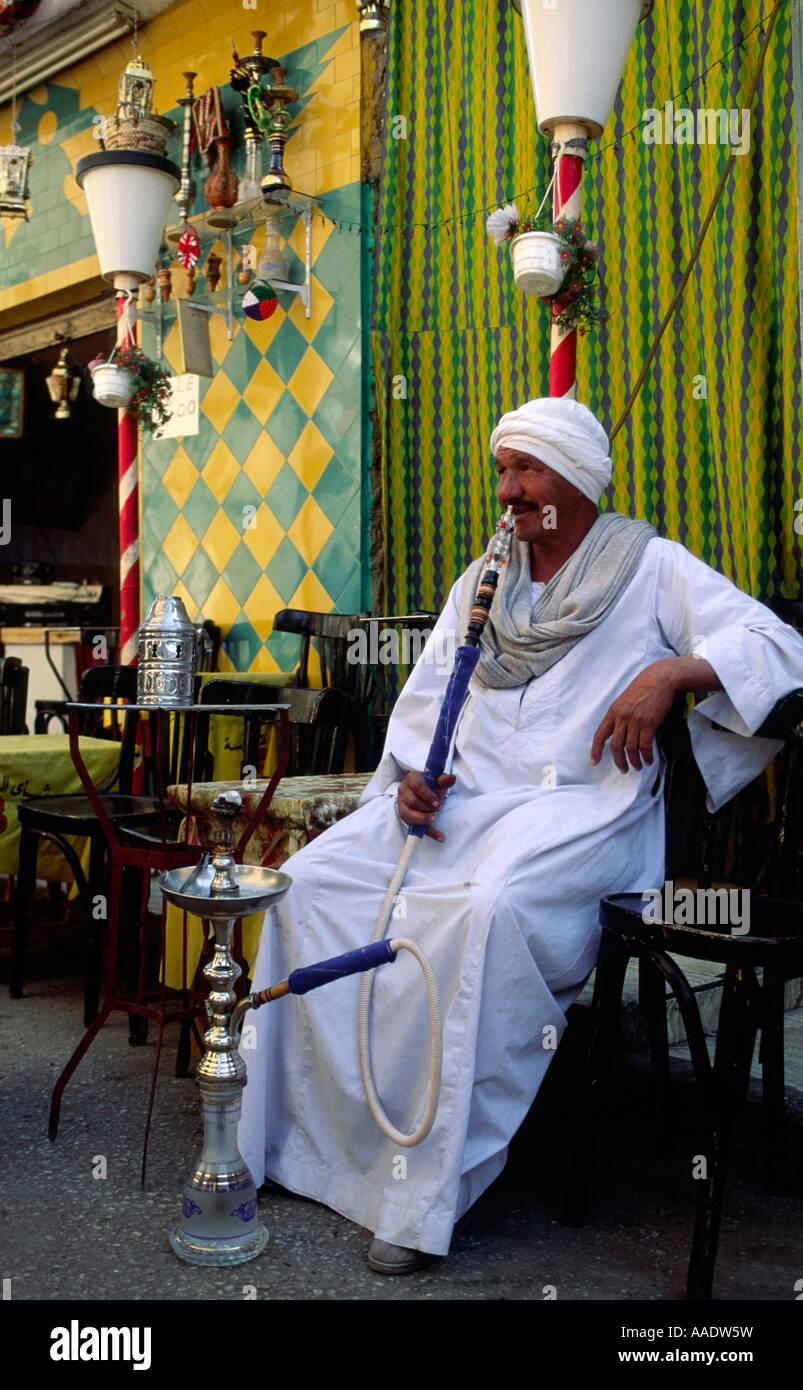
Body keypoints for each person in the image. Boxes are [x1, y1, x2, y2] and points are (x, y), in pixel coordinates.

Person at [238, 397, 803, 1275]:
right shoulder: (485, 579)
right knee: (311, 883)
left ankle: (419, 1194)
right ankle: (282, 1147)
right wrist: (413, 779)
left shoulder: (649, 567)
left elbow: (774, 643)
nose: (507, 491)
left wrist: (671, 672)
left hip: (586, 816)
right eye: (501, 471)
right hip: (465, 807)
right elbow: (428, 696)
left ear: (573, 479)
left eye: (524, 471)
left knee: (479, 910)